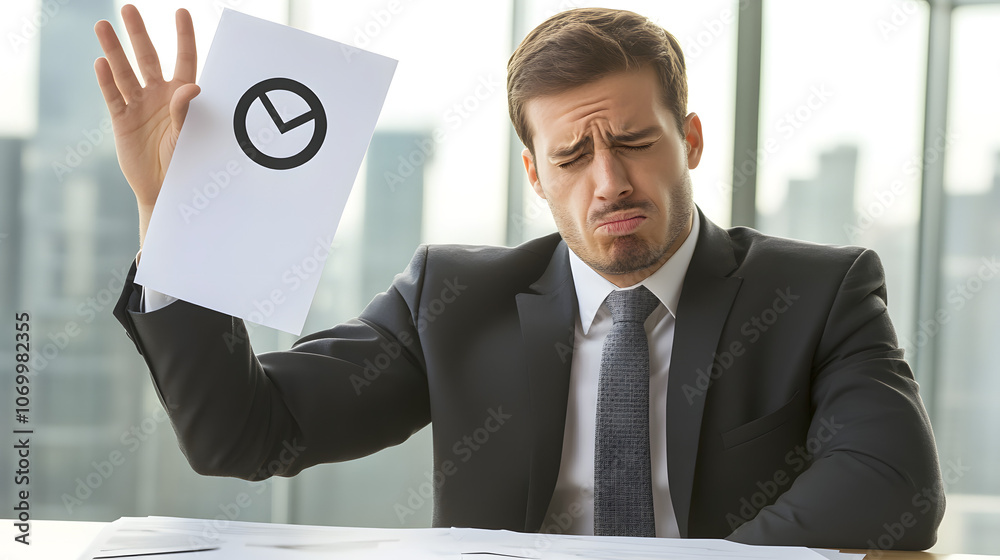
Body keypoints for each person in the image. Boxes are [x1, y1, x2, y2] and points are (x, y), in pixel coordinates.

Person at [97, 4, 945, 549]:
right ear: (536, 177)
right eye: (571, 156)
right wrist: (179, 223)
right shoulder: (452, 299)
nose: (608, 180)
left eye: (635, 143)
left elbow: (892, 484)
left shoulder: (819, 294)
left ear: (688, 140)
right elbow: (246, 434)